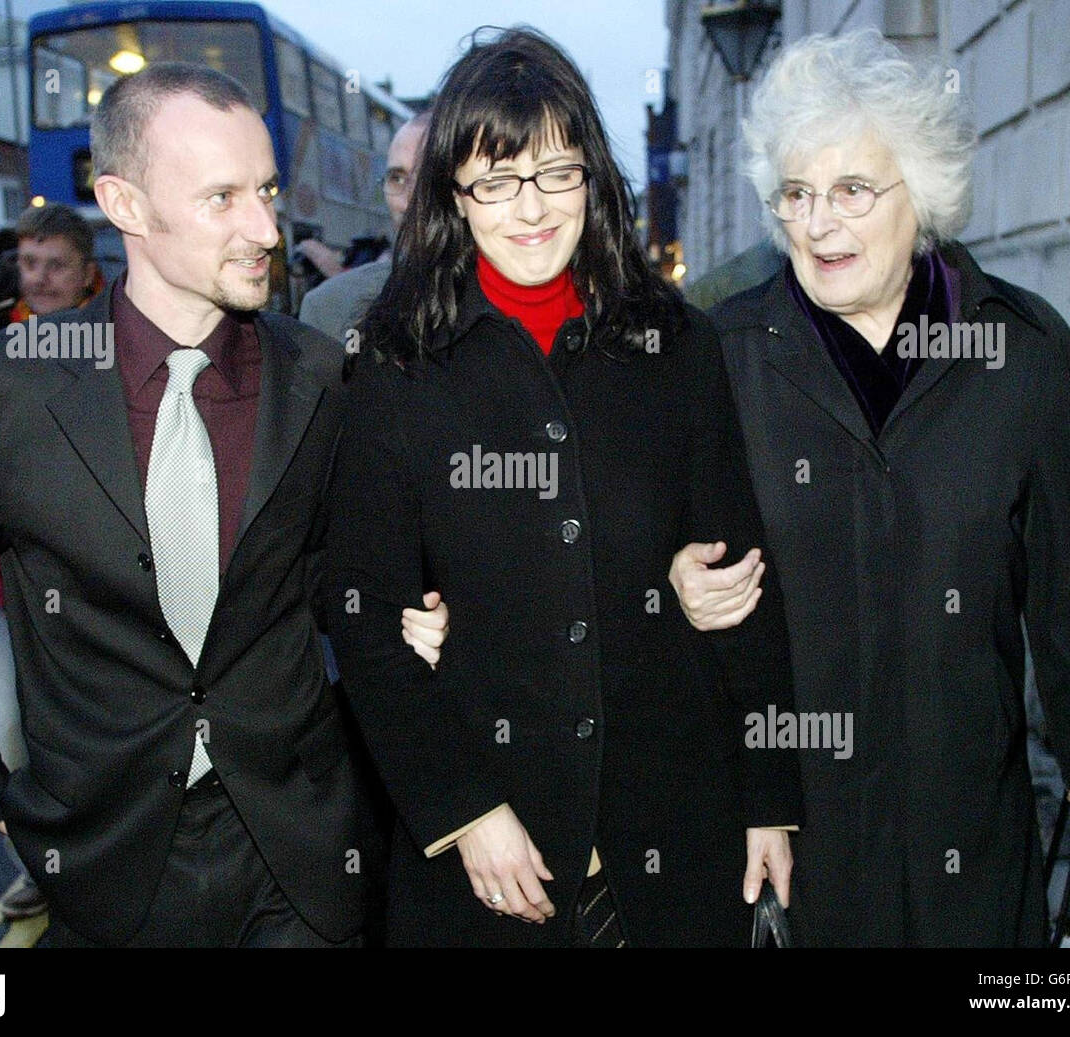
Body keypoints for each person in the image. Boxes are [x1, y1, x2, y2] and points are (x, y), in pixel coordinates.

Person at [0, 62, 444, 947]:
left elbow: (328, 578)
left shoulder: (318, 374)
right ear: (125, 206)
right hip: (108, 857)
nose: (265, 227)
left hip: (302, 846)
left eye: (265, 190)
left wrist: (406, 607)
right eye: (221, 197)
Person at [325, 28, 801, 948]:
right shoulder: (398, 361)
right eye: (495, 181)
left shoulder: (675, 346)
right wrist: (464, 810)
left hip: (673, 833)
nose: (530, 208)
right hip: (488, 868)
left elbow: (743, 584)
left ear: (594, 175)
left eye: (556, 172)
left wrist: (770, 795)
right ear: (455, 200)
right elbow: (366, 619)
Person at [669, 29, 1070, 947]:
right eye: (796, 194)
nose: (816, 222)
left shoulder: (1020, 353)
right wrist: (676, 575)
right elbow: (666, 549)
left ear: (919, 195)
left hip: (972, 820)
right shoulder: (722, 358)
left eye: (850, 190)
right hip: (795, 830)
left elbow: (1067, 575)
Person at [0, 203, 103, 921]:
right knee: (7, 735)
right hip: (5, 593)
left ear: (87, 272)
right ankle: (40, 866)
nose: (41, 278)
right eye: (30, 264)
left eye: (56, 264)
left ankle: (107, 860)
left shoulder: (115, 345)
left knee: (91, 740)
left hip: (90, 591)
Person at [298, 112, 430, 343]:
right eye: (396, 179)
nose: (409, 199)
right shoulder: (329, 309)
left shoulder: (504, 296)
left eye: (428, 176)